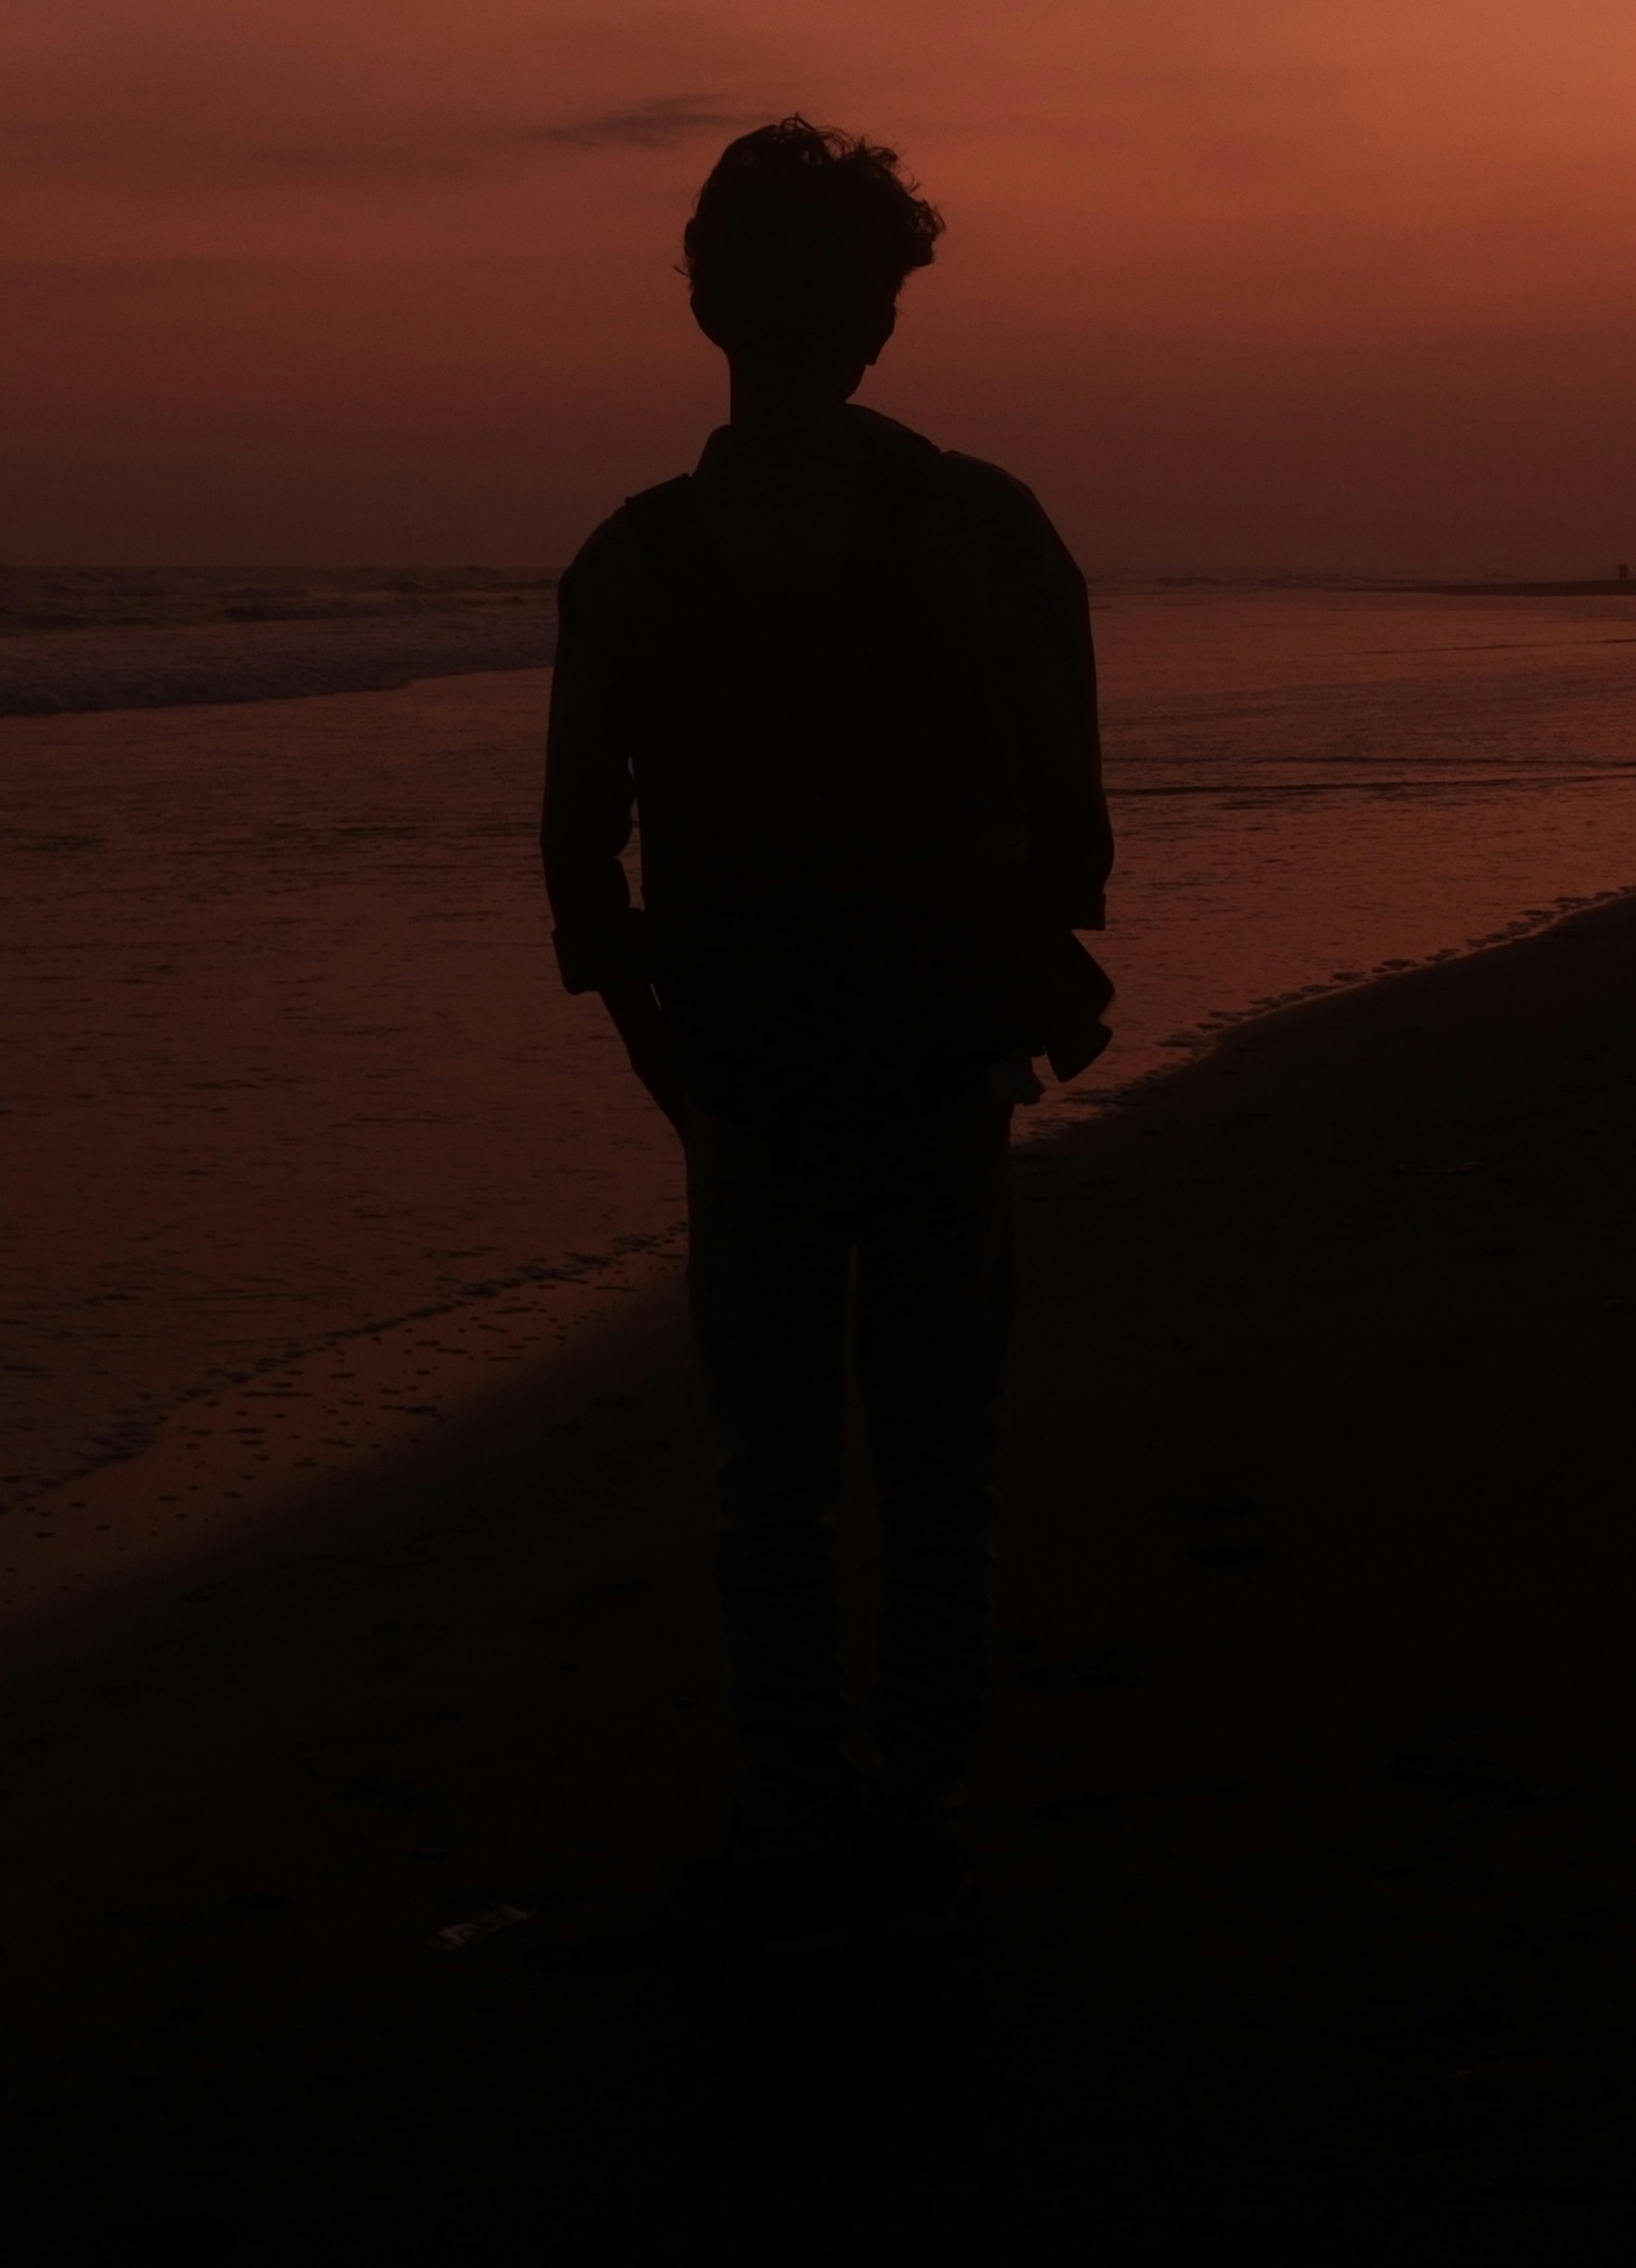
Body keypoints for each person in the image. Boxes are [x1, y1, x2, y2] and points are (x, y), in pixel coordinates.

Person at [543, 117, 1113, 1953]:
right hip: (943, 1049)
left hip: (748, 1064)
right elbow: (1076, 828)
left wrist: (658, 1045)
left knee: (769, 1474)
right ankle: (918, 1814)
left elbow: (578, 854)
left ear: (706, 295)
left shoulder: (629, 561)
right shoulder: (986, 520)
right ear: (879, 315)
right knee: (940, 1454)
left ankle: (795, 1817)